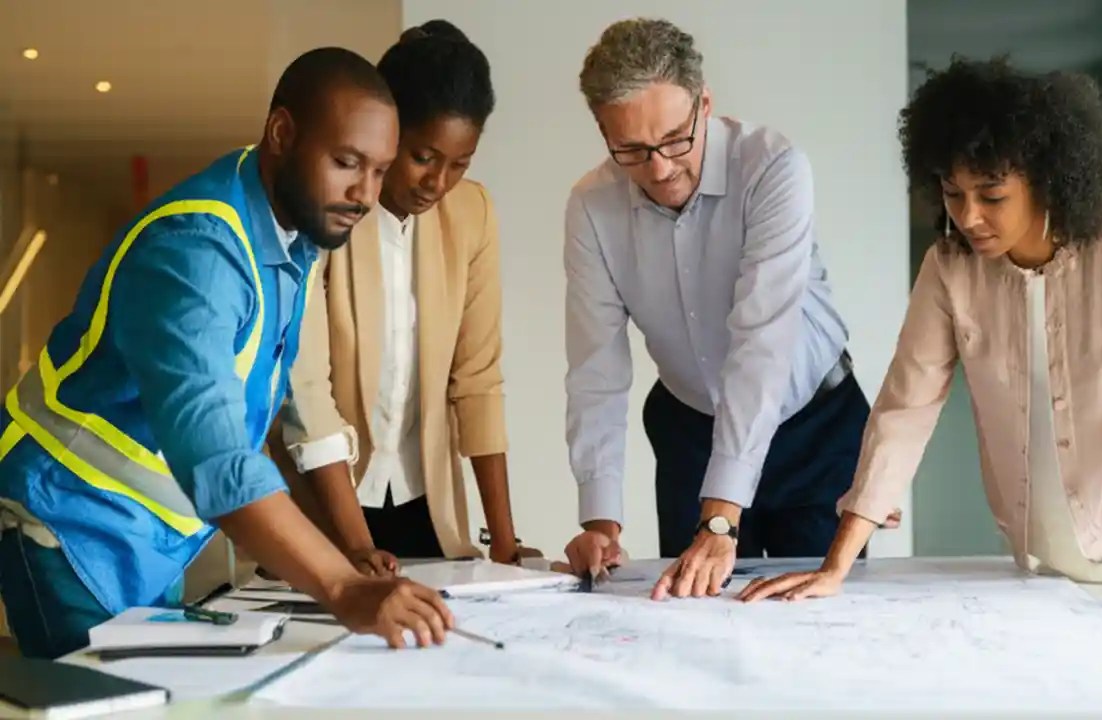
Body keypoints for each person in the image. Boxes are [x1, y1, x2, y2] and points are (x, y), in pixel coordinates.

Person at [739, 57, 1102, 645]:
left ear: (1047, 177)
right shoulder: (950, 266)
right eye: (953, 193)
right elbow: (906, 407)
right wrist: (836, 566)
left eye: (992, 194)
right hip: (1060, 544)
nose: (969, 216)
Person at [0, 47, 458, 659]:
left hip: (150, 539)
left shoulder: (287, 236)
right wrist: (341, 585)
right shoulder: (197, 255)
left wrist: (344, 557)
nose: (366, 194)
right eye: (347, 163)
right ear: (282, 133)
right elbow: (217, 456)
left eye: (378, 171)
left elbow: (277, 404)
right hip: (68, 523)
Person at [562, 18, 892, 601]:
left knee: (815, 620)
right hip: (690, 429)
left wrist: (720, 520)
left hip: (812, 425)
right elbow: (597, 368)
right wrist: (599, 523)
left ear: (704, 104)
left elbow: (761, 344)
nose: (659, 169)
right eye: (632, 150)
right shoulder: (592, 206)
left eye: (674, 140)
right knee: (694, 615)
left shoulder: (772, 168)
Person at [276, 21, 539, 575]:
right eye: (423, 156)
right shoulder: (329, 210)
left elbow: (477, 379)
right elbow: (307, 392)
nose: (438, 182)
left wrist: (507, 545)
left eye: (460, 163)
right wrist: (357, 551)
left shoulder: (473, 214)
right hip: (327, 504)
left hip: (427, 508)